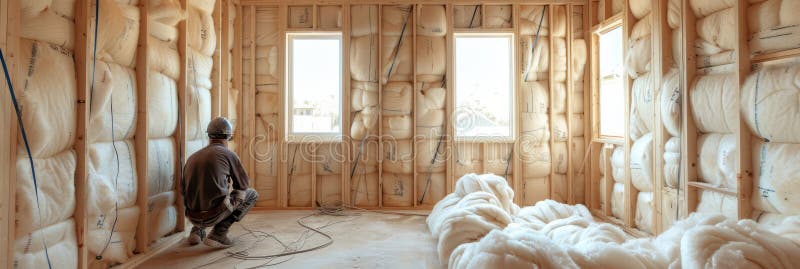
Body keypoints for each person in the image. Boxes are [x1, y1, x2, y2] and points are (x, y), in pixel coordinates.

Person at [182, 117, 258, 248]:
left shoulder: (192, 157)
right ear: (228, 136)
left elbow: (185, 190)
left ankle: (197, 231)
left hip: (191, 215)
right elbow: (243, 185)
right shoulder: (228, 154)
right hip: (213, 215)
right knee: (251, 194)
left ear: (209, 135)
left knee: (201, 187)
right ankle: (219, 234)